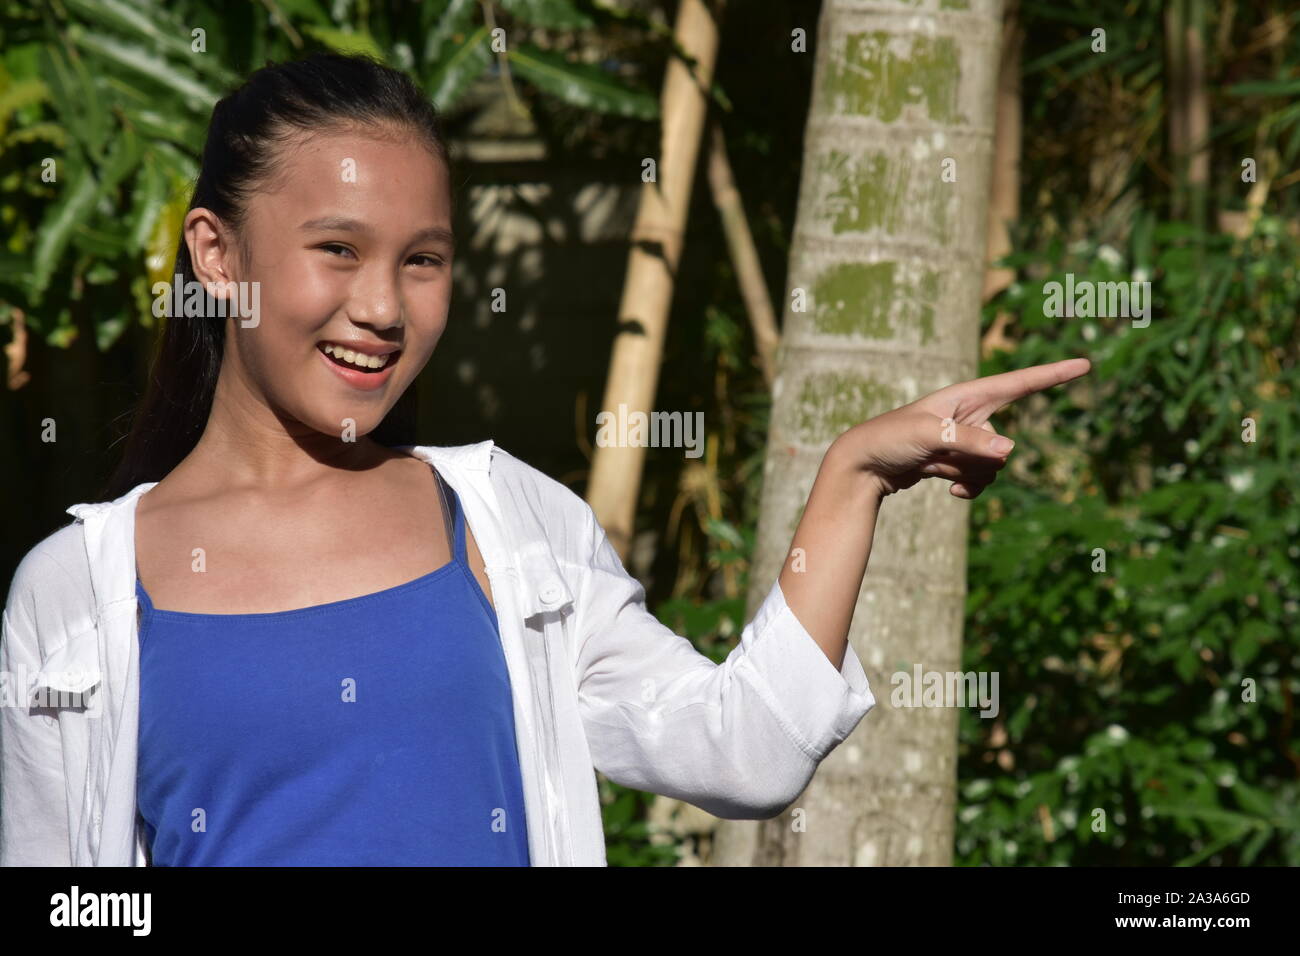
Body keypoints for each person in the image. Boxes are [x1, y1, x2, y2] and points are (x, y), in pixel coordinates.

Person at [0, 52, 1090, 867]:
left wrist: (852, 472)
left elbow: (743, 749)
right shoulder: (72, 592)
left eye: (422, 260)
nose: (380, 307)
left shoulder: (507, 525)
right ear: (215, 252)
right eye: (336, 249)